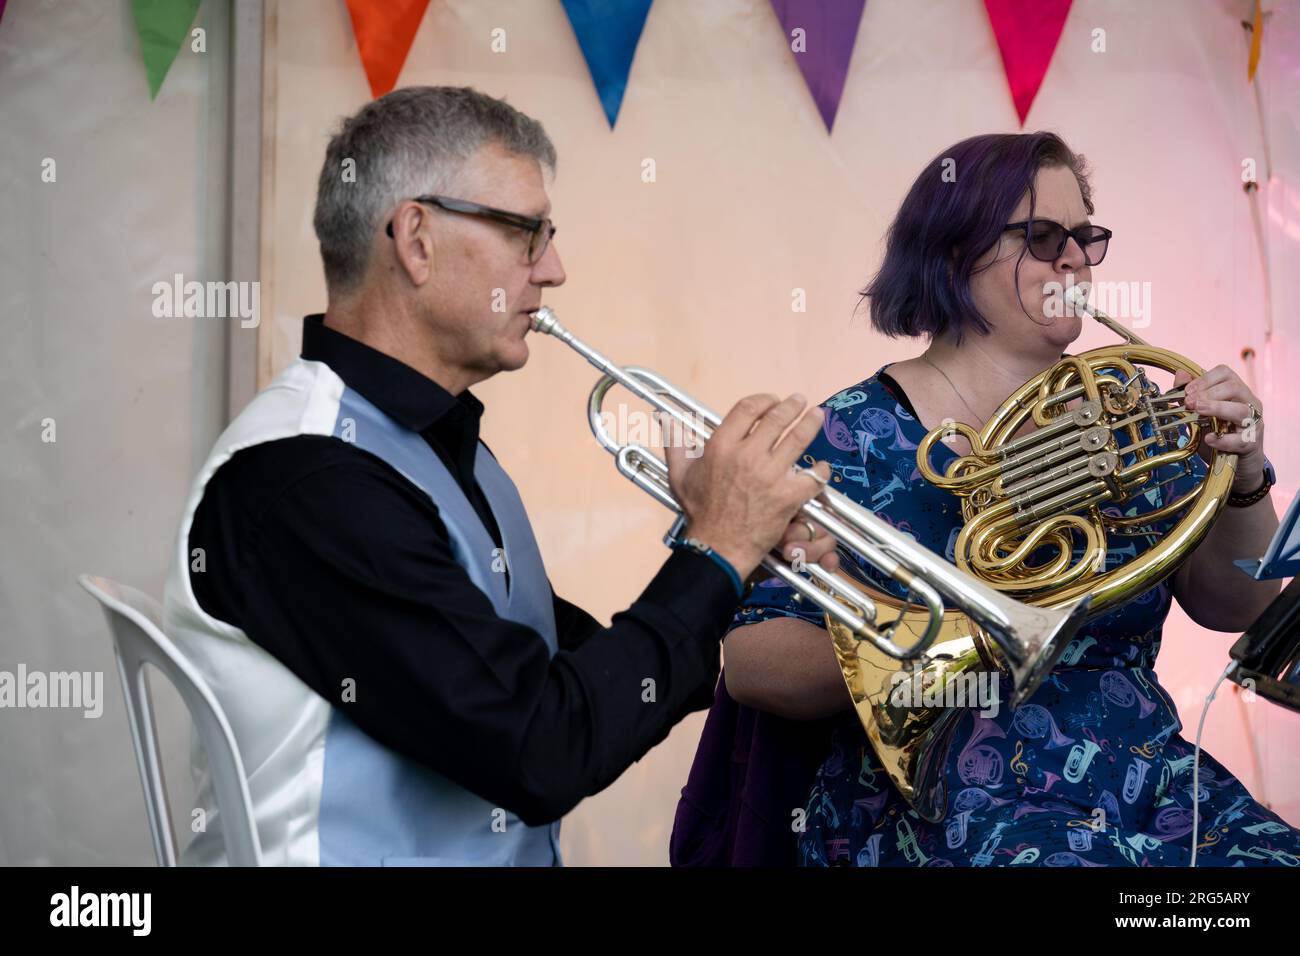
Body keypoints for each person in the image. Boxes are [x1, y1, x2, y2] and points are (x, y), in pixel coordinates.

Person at [162, 86, 838, 866]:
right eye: (527, 232)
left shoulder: (431, 445)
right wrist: (717, 549)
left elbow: (554, 671)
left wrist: (736, 562)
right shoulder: (304, 481)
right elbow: (542, 746)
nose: (552, 268)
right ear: (416, 238)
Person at [673, 131, 1300, 867]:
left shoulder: (1129, 414)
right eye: (1040, 236)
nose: (1072, 258)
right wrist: (964, 623)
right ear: (950, 253)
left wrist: (1245, 470)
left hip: (1143, 781)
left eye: (1085, 238)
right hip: (949, 798)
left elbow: (1240, 606)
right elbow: (751, 661)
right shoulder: (841, 436)